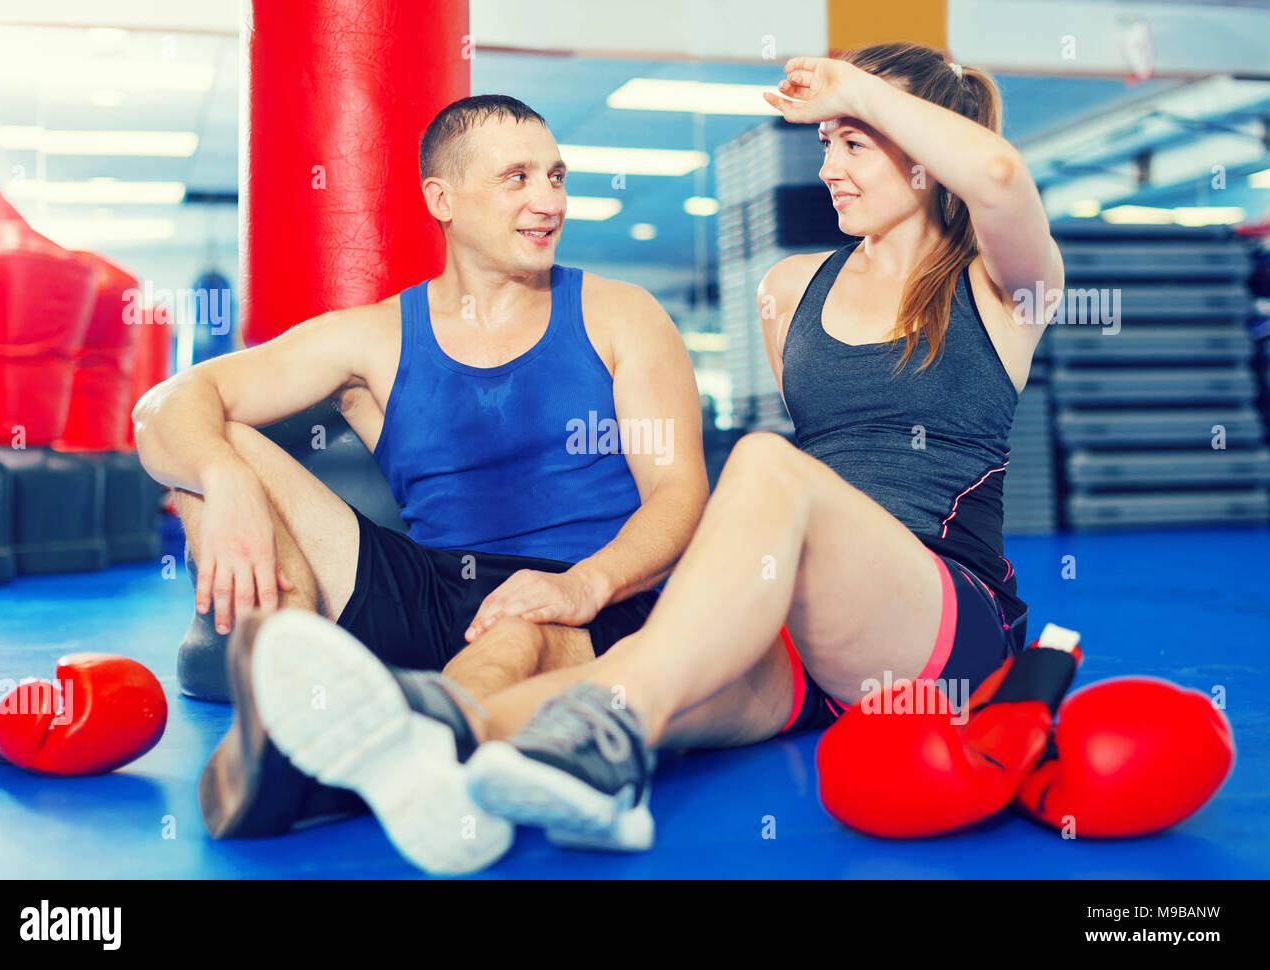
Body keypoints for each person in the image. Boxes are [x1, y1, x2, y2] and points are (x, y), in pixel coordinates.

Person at [236, 41, 1065, 869]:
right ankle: (405, 750)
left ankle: (607, 748)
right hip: (803, 638)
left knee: (766, 464)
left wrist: (850, 87)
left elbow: (994, 177)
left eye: (854, 143)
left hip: (942, 619)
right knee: (630, 674)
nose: (828, 169)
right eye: (824, 144)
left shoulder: (1002, 289)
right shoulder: (790, 293)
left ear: (922, 151)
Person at [131, 95, 708, 866]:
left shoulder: (622, 316)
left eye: (556, 175)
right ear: (442, 198)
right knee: (219, 439)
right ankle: (287, 694)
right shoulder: (372, 337)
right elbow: (164, 405)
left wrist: (586, 586)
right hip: (429, 591)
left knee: (521, 630)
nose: (549, 200)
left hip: (586, 602)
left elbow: (679, 496)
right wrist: (223, 477)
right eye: (518, 178)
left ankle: (417, 739)